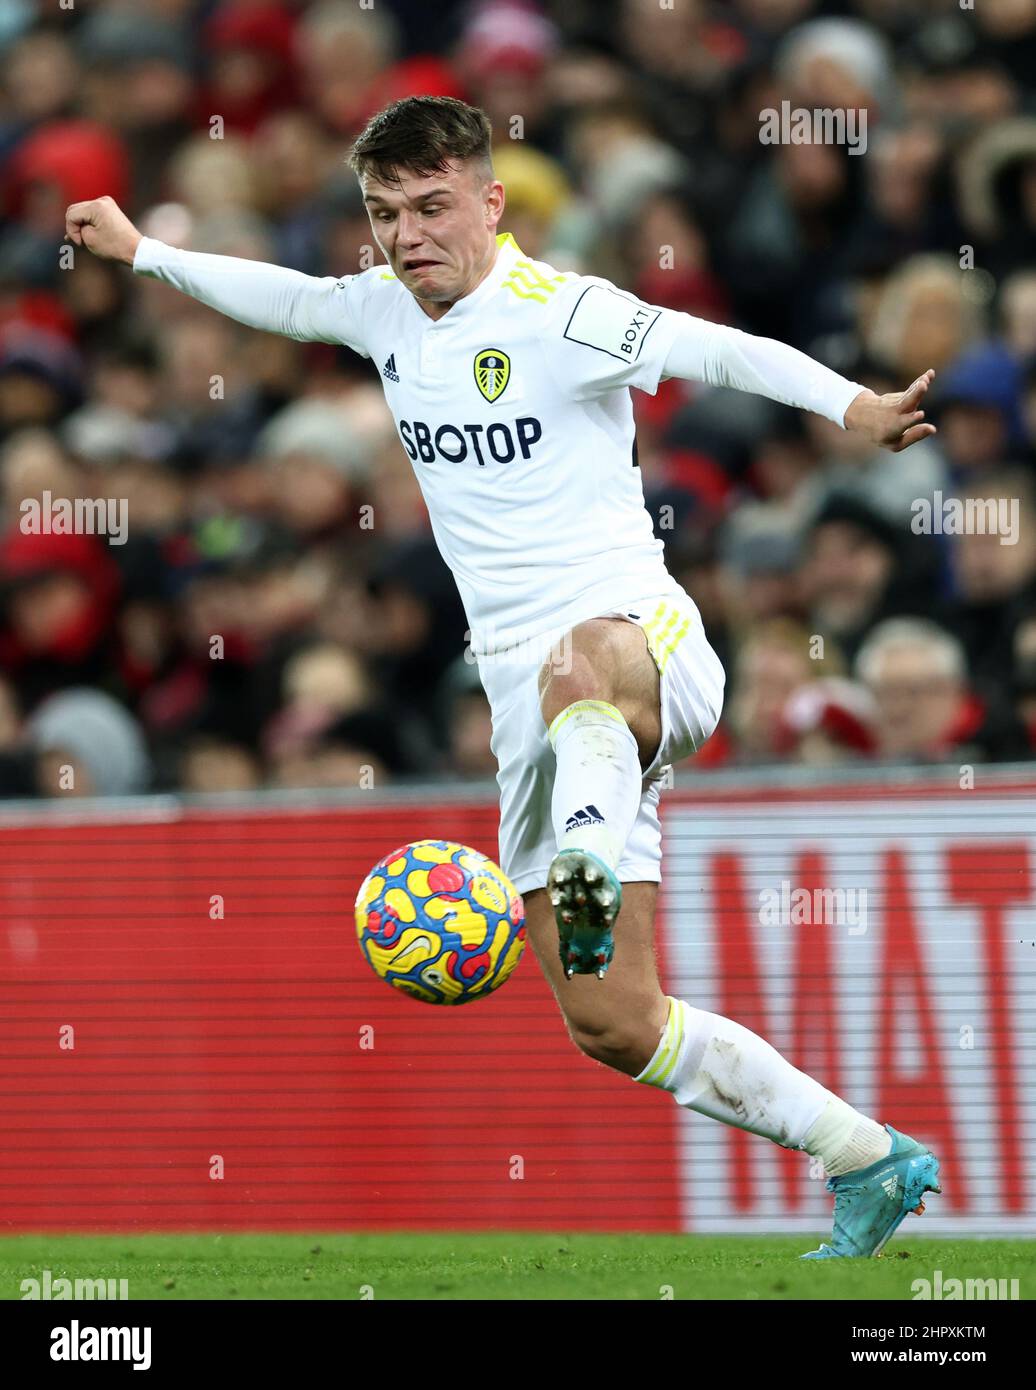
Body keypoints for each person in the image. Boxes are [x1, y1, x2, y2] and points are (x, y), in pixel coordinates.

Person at [65, 95, 941, 1258]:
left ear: (489, 202)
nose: (405, 235)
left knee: (581, 657)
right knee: (612, 1021)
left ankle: (583, 846)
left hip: (645, 649)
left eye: (431, 207)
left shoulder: (560, 310)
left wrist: (855, 405)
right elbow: (286, 299)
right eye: (384, 213)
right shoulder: (383, 312)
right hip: (534, 713)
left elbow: (712, 347)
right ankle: (869, 1157)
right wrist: (145, 253)